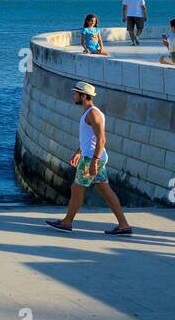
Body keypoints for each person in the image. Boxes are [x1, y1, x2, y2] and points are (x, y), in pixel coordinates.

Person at [45, 82, 132, 236]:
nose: (73, 96)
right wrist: (78, 151)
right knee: (105, 191)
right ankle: (124, 225)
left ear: (84, 96)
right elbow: (89, 138)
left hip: (92, 159)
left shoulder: (93, 113)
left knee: (76, 189)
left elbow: (101, 139)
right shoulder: (88, 112)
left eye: (75, 94)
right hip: (90, 157)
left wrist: (93, 161)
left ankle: (67, 222)